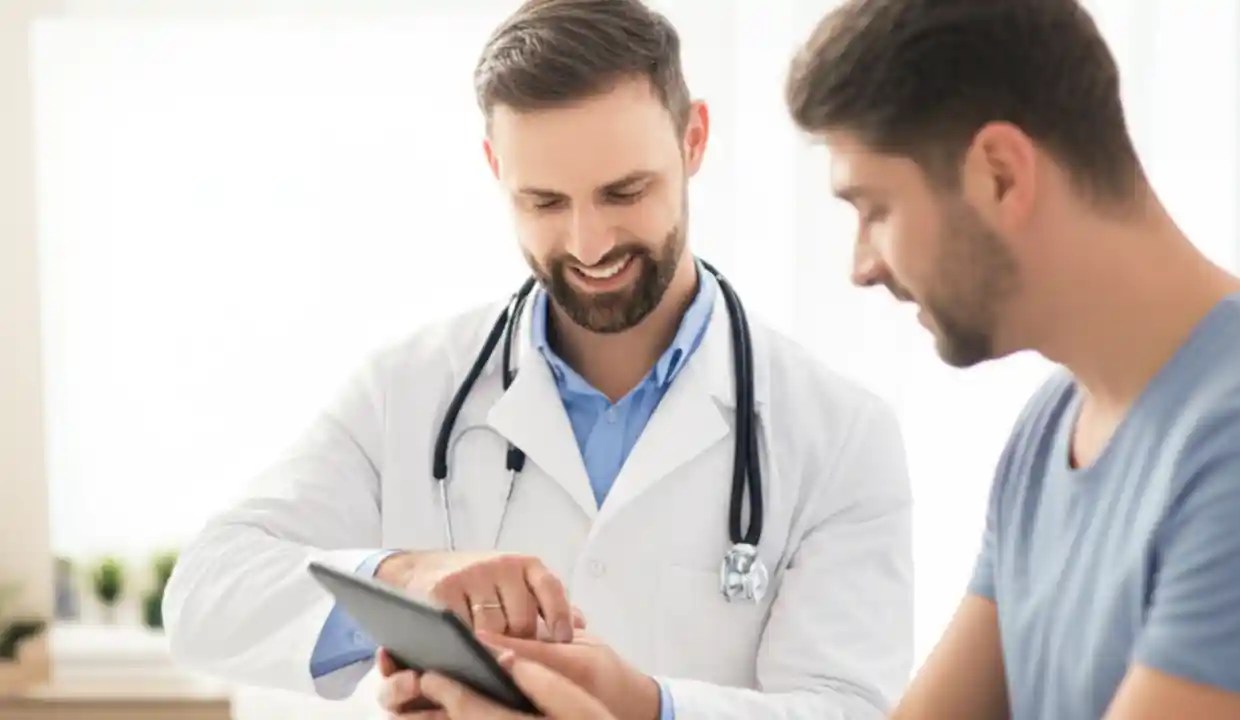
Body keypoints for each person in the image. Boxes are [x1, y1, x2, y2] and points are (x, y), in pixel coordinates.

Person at [418, 0, 1240, 717]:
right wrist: (631, 705)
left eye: (874, 208)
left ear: (1000, 175)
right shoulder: (1052, 432)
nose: (861, 265)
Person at [161, 1, 915, 718]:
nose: (589, 244)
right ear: (496, 166)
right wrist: (407, 578)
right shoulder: (407, 390)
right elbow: (203, 594)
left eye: (625, 192)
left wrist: (643, 708)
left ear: (693, 140)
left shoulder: (840, 433)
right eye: (545, 202)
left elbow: (848, 708)